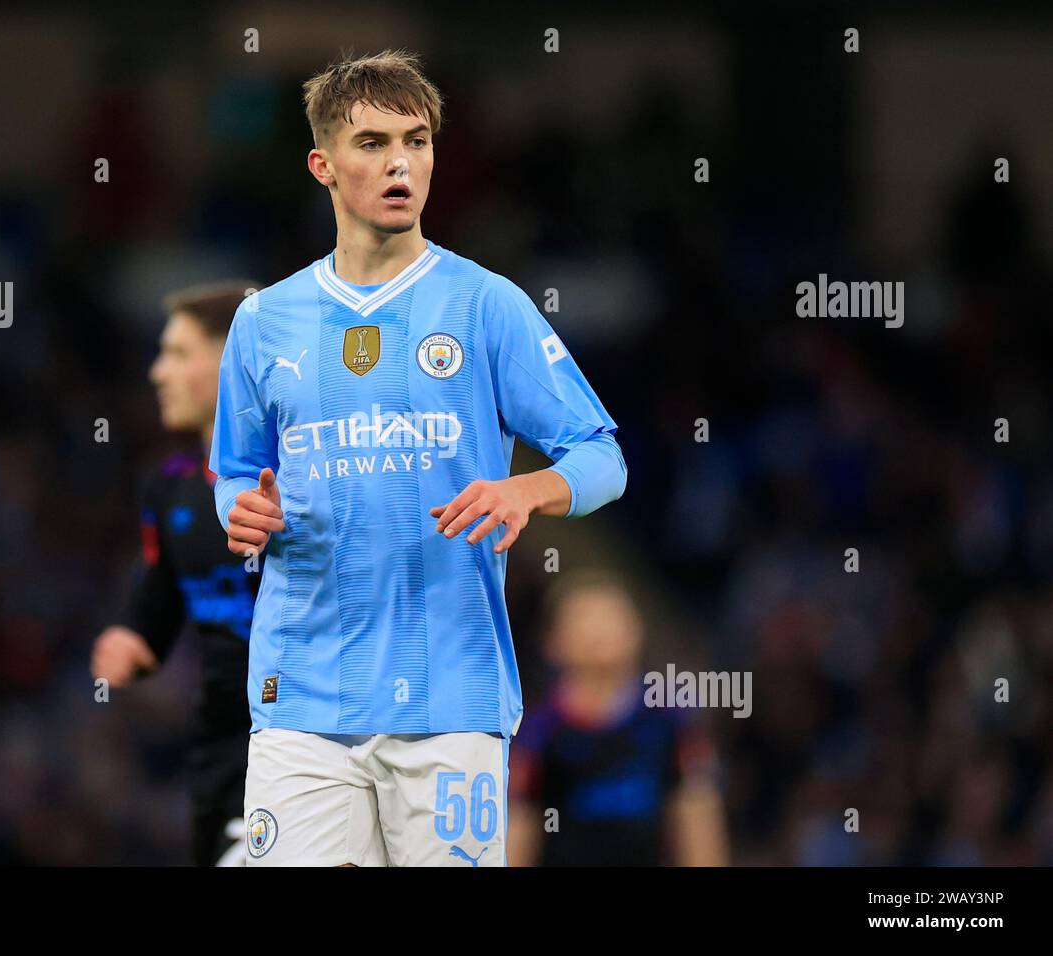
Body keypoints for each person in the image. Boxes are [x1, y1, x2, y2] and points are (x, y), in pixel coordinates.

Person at [210, 49, 628, 866]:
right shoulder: (264, 323)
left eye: (418, 139)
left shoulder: (486, 305)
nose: (401, 161)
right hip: (300, 701)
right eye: (372, 143)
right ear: (322, 165)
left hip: (450, 697)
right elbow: (232, 473)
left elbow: (602, 456)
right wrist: (240, 510)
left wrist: (527, 491)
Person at [91, 282, 262, 866]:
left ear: (236, 359)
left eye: (180, 354)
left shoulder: (307, 477)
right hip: (220, 747)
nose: (158, 372)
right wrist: (136, 638)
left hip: (313, 738)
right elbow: (159, 602)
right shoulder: (170, 489)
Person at [508, 571, 729, 866]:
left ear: (636, 630)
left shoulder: (669, 720)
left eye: (610, 617)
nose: (599, 630)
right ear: (553, 641)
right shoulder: (538, 732)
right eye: (584, 618)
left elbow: (698, 815)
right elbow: (520, 827)